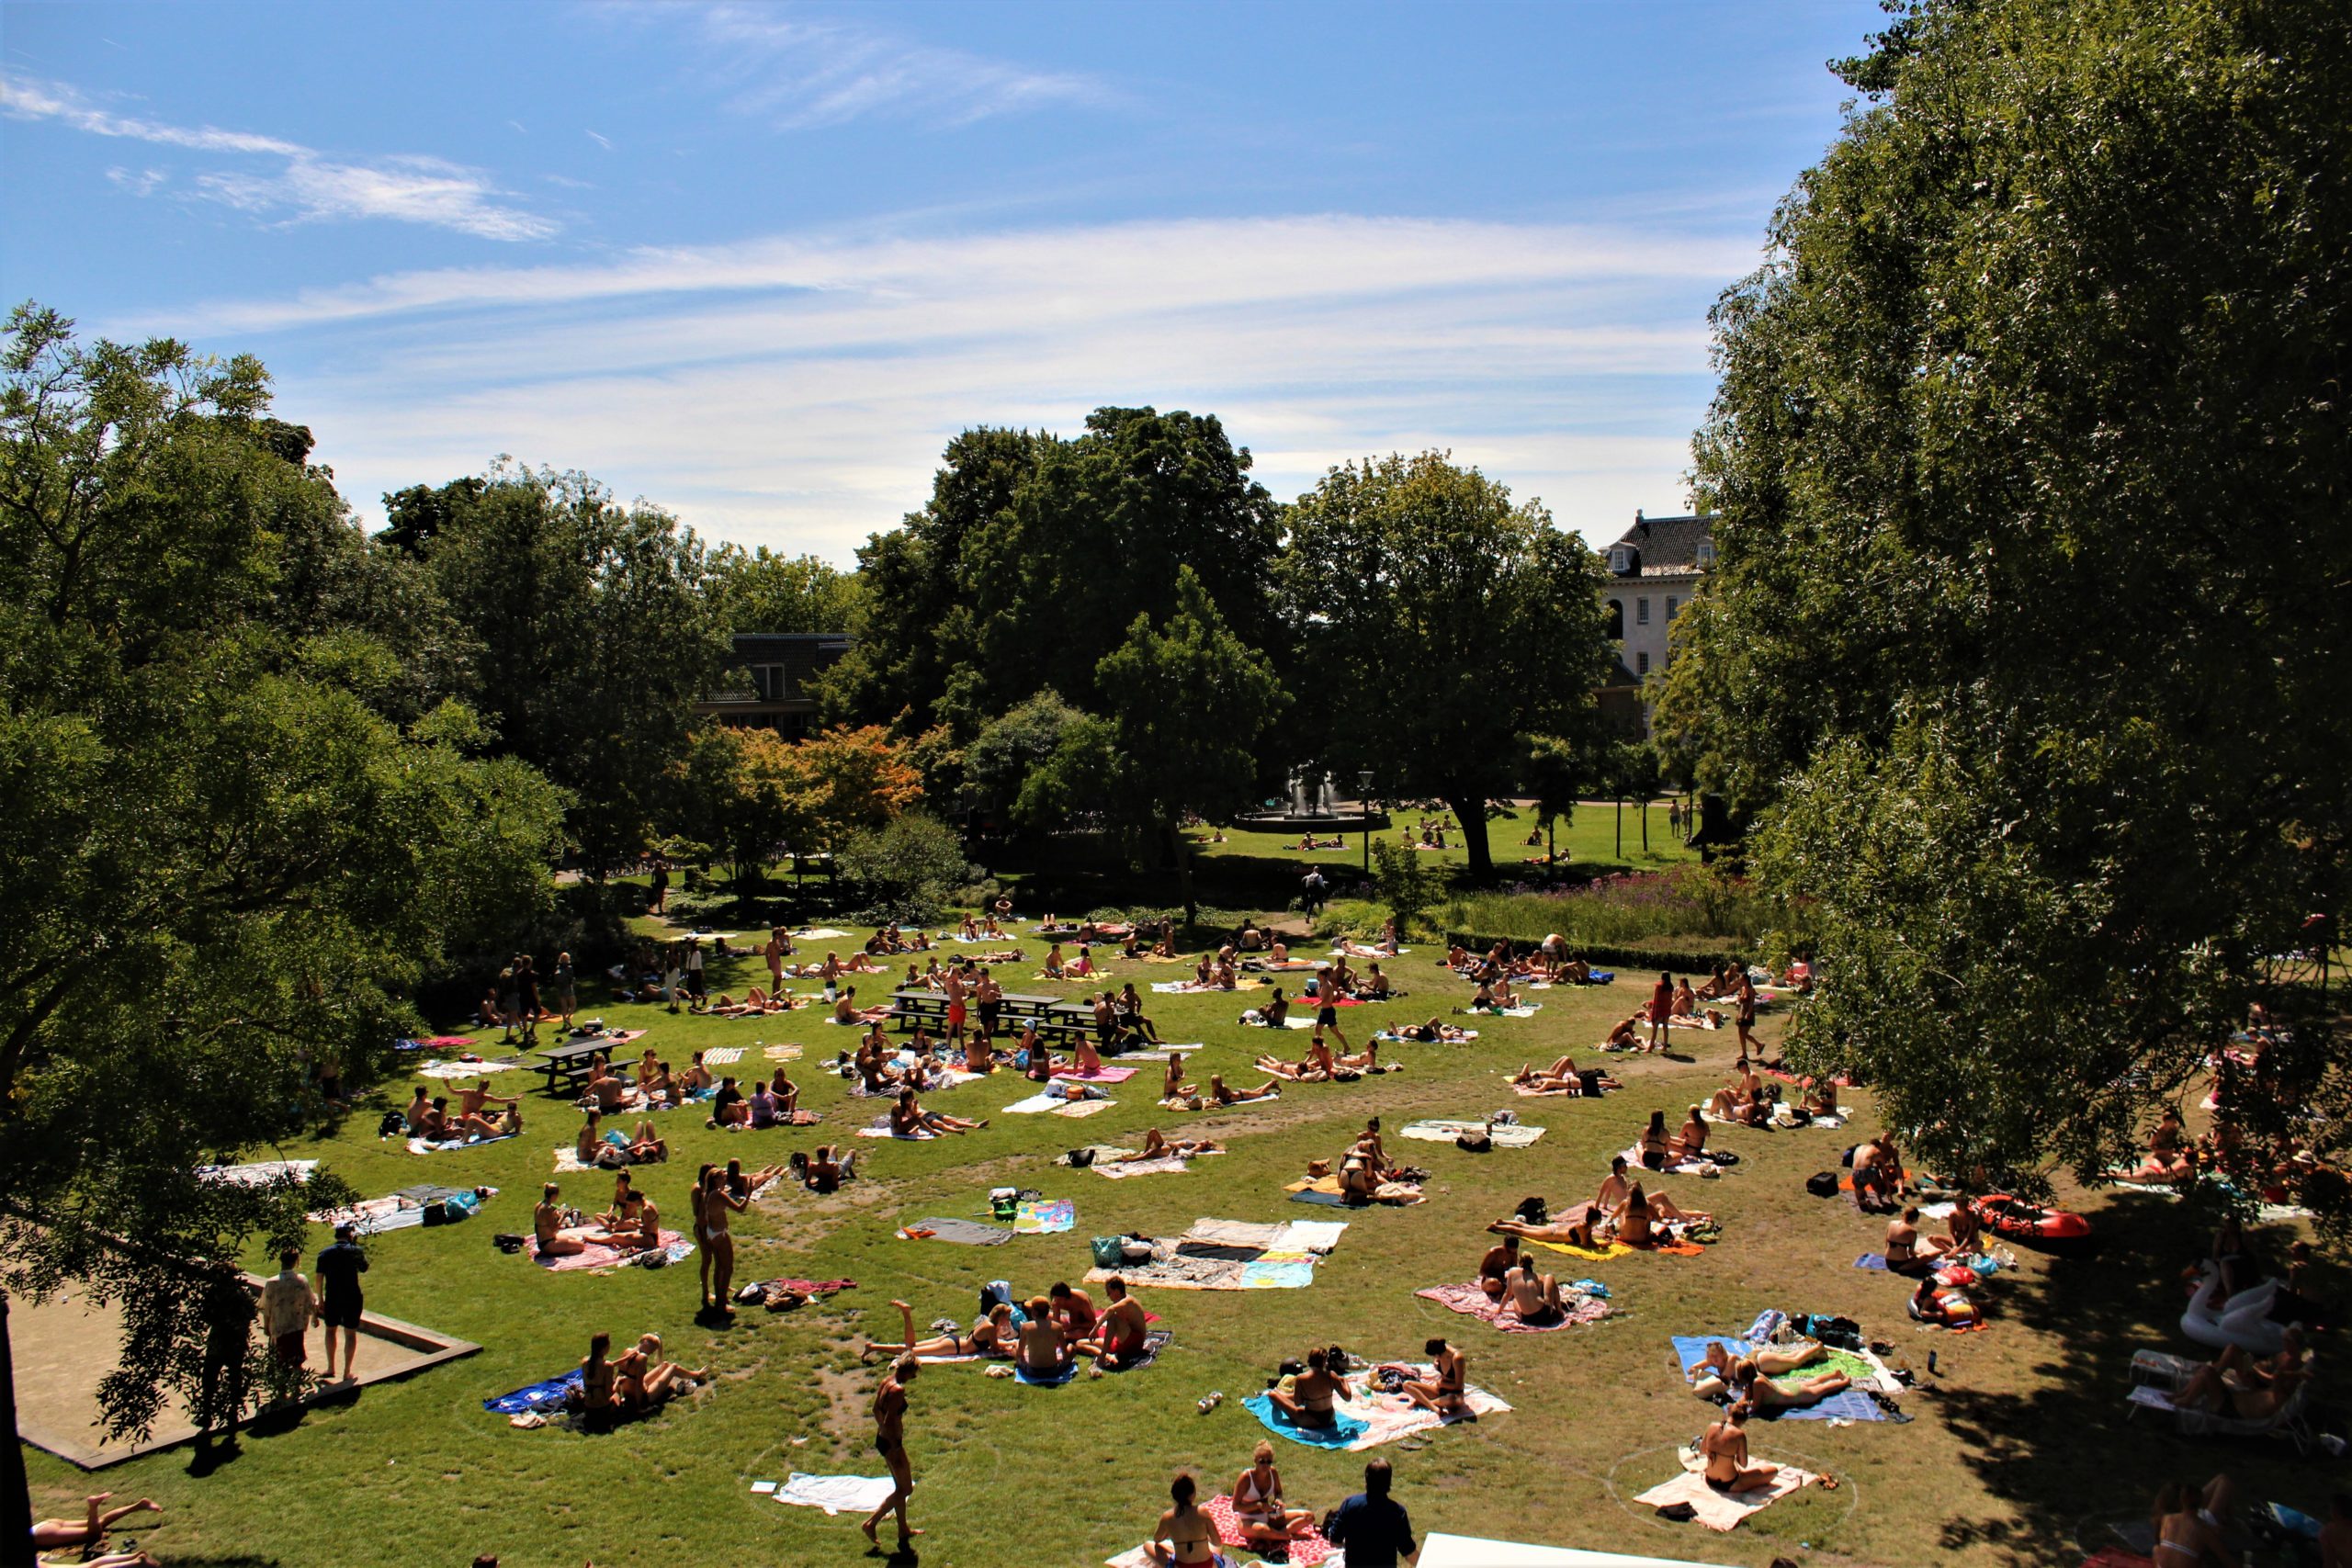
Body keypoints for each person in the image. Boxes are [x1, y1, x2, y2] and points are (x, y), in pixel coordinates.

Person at [862, 1354, 922, 1552]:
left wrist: (882, 1432)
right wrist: (895, 1445)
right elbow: (889, 1421)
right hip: (892, 1443)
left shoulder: (886, 1382)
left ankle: (903, 1529)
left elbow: (875, 1410)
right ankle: (871, 1523)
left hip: (883, 1440)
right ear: (908, 1370)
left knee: (899, 1487)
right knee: (906, 1489)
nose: (915, 1377)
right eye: (914, 1372)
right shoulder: (898, 1390)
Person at [1325, 1459, 1418, 1567]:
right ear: (1389, 1482)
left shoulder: (1349, 1505)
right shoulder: (1398, 1513)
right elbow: (1409, 1553)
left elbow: (1334, 1541)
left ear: (1366, 1479)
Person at [1230, 1440, 1317, 1552]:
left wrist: (1278, 1501)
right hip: (1247, 1520)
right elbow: (1235, 1507)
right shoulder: (1246, 1478)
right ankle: (1288, 1536)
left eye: (1269, 1461)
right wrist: (1258, 1506)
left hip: (1268, 1516)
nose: (1266, 1465)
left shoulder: (1273, 1473)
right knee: (1262, 1529)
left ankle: (1279, 1534)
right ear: (1255, 1461)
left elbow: (1278, 1492)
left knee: (1309, 1517)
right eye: (1262, 1461)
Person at [313, 1222, 369, 1382]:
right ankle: (347, 1371)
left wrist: (320, 1299)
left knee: (330, 1330)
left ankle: (331, 1367)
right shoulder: (355, 1251)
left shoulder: (324, 1254)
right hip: (352, 1296)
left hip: (333, 1296)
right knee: (350, 1333)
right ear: (349, 1235)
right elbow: (364, 1268)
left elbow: (319, 1279)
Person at [29, 1495, 164, 1555]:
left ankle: (93, 1506)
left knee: (92, 1535)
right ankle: (140, 1505)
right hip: (45, 1525)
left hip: (41, 1535)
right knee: (99, 1523)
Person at [1148, 1472, 1227, 1567]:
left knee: (1148, 1546)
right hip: (1207, 1565)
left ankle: (1173, 1553)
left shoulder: (1168, 1517)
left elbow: (1157, 1539)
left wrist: (1171, 1533)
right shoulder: (1203, 1512)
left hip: (1181, 1565)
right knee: (1219, 1546)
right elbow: (1217, 1542)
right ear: (1193, 1494)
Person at [700, 1166, 747, 1314]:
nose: (725, 1177)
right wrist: (749, 1194)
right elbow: (740, 1209)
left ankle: (721, 1299)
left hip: (711, 1232)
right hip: (720, 1233)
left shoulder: (707, 1194)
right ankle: (721, 1303)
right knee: (728, 1268)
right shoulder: (719, 1195)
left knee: (719, 1266)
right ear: (715, 1179)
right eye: (722, 1176)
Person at [1700, 1401, 1777, 1491]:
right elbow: (1743, 1464)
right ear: (1742, 1421)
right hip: (1730, 1484)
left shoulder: (1712, 1426)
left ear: (1729, 1413)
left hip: (1709, 1479)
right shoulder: (1739, 1435)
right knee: (1773, 1471)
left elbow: (1702, 1450)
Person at [259, 1248, 312, 1377]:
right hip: (295, 1325)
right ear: (295, 1261)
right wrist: (306, 1322)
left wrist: (266, 1326)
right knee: (296, 1361)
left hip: (278, 1326)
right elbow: (308, 1303)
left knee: (279, 1361)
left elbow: (267, 1308)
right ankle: (297, 1388)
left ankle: (282, 1391)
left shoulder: (272, 1283)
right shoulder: (301, 1281)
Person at [1077, 1276, 1150, 1368]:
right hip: (1121, 1341)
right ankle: (1108, 1356)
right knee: (1079, 1343)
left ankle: (1102, 1357)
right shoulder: (1120, 1302)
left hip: (1135, 1342)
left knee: (1113, 1318)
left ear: (1116, 1291)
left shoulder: (1128, 1301)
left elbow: (1110, 1310)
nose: (1108, 1296)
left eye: (1109, 1293)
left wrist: (1095, 1329)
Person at [1268, 1346, 1343, 1427]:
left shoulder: (1302, 1378)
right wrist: (1344, 1381)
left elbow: (1297, 1402)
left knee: (1272, 1394)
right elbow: (1348, 1397)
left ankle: (1278, 1400)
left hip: (1311, 1420)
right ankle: (1282, 1396)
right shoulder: (1332, 1375)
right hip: (1330, 1418)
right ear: (1324, 1362)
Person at [1402, 1337, 1469, 1416]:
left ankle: (1424, 1402)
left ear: (1438, 1354)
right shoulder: (1440, 1351)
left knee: (1451, 1399)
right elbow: (1437, 1361)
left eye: (1435, 1356)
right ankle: (1433, 1406)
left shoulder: (1457, 1358)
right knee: (1406, 1385)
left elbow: (1459, 1386)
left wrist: (1442, 1384)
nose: (1435, 1359)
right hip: (1439, 1390)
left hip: (1454, 1394)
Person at [1504, 1256, 1570, 1325]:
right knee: (1549, 1277)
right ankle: (1559, 1311)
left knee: (1515, 1300)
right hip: (1545, 1316)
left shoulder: (1513, 1274)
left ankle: (1522, 1316)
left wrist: (1499, 1310)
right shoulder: (1536, 1277)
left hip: (1528, 1319)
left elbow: (1508, 1294)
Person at [535, 1182, 585, 1258]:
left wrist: (556, 1213)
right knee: (581, 1247)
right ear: (554, 1195)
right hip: (548, 1244)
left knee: (572, 1238)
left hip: (543, 1241)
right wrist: (563, 1217)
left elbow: (544, 1219)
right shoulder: (547, 1209)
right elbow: (553, 1229)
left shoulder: (539, 1204)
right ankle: (558, 1253)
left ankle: (559, 1249)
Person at [1477, 1232, 1521, 1301]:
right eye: (1510, 1252)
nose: (1512, 1254)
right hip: (1490, 1280)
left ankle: (1504, 1292)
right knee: (1493, 1283)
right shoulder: (1493, 1252)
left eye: (1514, 1252)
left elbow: (1514, 1269)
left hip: (1503, 1281)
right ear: (1504, 1246)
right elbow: (1482, 1272)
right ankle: (1503, 1292)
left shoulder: (1513, 1254)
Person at [1647, 971, 1673, 1052]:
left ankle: (1650, 1048)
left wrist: (1653, 1011)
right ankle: (1665, 1046)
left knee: (1655, 1028)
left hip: (1660, 1009)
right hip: (1667, 1009)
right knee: (1665, 1027)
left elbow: (1656, 999)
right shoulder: (1670, 987)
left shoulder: (1659, 986)